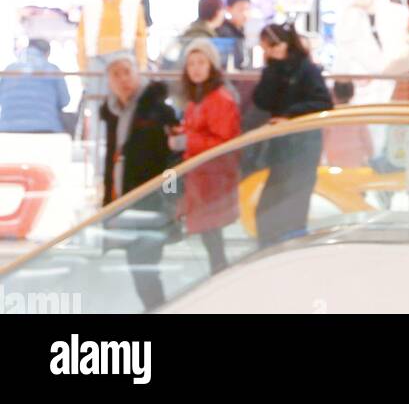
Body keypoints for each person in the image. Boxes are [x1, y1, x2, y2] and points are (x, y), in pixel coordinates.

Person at [100, 53, 178, 311]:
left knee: (145, 269)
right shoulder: (112, 113)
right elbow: (113, 162)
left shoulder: (158, 111)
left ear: (138, 73)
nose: (123, 79)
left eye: (127, 71)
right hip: (125, 203)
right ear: (109, 80)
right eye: (116, 74)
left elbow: (173, 161)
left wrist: (170, 198)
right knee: (139, 269)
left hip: (153, 204)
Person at [252, 23, 333, 247]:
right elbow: (261, 100)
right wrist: (272, 70)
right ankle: (270, 250)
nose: (270, 52)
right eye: (265, 48)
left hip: (303, 145)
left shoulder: (305, 69)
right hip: (280, 148)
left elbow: (323, 102)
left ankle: (291, 251)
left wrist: (291, 116)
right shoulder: (273, 70)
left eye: (272, 46)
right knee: (269, 208)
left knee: (294, 206)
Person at [176, 38, 241, 276]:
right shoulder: (197, 98)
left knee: (212, 233)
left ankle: (220, 275)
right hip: (200, 176)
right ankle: (218, 273)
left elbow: (224, 144)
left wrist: (186, 141)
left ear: (211, 65)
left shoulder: (219, 99)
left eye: (201, 62)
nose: (195, 68)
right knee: (209, 234)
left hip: (213, 176)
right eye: (191, 63)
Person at [0, 39, 70, 133]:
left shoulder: (10, 69)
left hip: (7, 128)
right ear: (47, 53)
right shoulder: (52, 69)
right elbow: (65, 101)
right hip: (46, 128)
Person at [321, 80, 373, 169]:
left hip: (334, 164)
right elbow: (367, 141)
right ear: (352, 93)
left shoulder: (328, 116)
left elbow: (322, 141)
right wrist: (370, 156)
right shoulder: (357, 115)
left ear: (333, 92)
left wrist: (319, 163)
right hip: (356, 163)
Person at [216, 0, 251, 70]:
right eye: (241, 10)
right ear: (229, 9)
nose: (245, 14)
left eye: (248, 9)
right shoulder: (224, 33)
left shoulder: (240, 31)